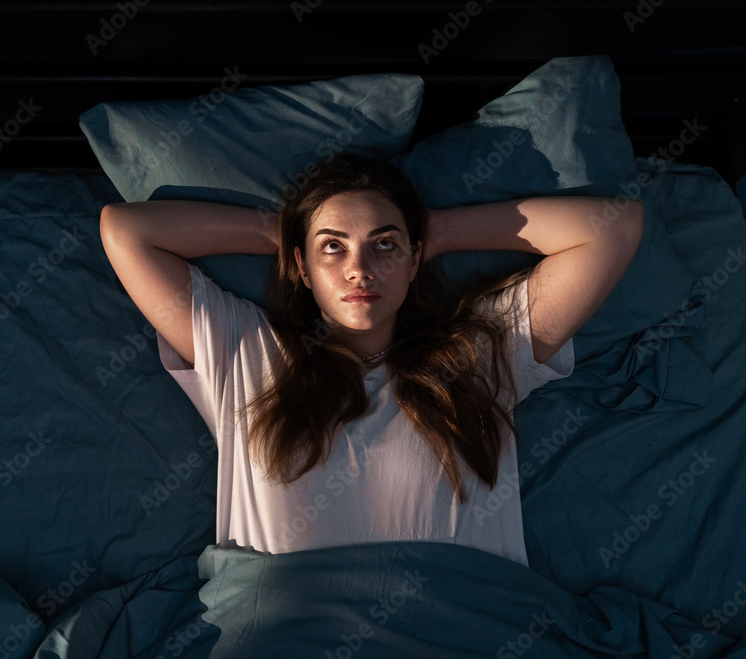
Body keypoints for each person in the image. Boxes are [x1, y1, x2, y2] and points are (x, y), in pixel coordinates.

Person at [100, 154, 643, 566]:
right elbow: (127, 231)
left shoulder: (479, 354)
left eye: (384, 245)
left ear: (414, 260)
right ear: (302, 268)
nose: (359, 269)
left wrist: (440, 232)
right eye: (333, 248)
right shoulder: (246, 352)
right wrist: (291, 228)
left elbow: (612, 226)